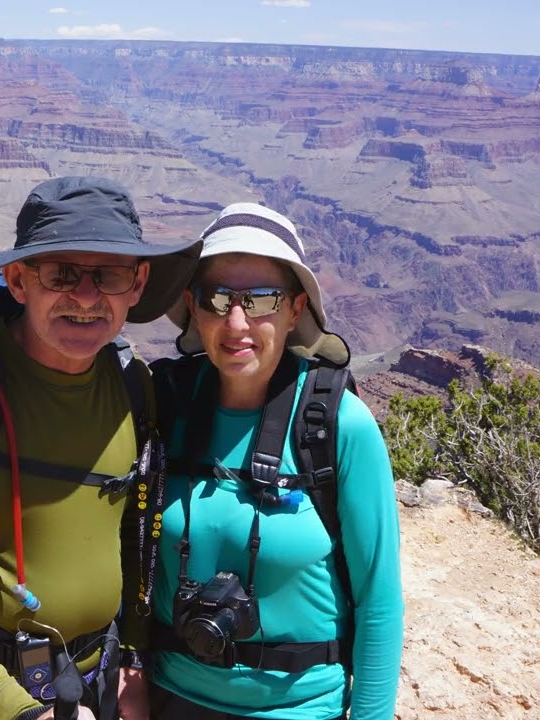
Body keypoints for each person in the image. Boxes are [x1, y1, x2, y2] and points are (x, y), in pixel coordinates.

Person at [0, 176, 201, 720]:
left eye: (110, 274)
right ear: (18, 280)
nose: (87, 296)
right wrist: (17, 712)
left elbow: (137, 535)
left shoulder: (131, 385)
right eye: (62, 274)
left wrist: (136, 664)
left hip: (104, 674)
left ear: (138, 284)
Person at [140, 202, 404, 720]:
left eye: (261, 299)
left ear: (295, 309)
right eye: (217, 298)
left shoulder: (336, 426)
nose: (236, 322)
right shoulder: (164, 405)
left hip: (300, 708)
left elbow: (379, 600)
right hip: (170, 698)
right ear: (193, 307)